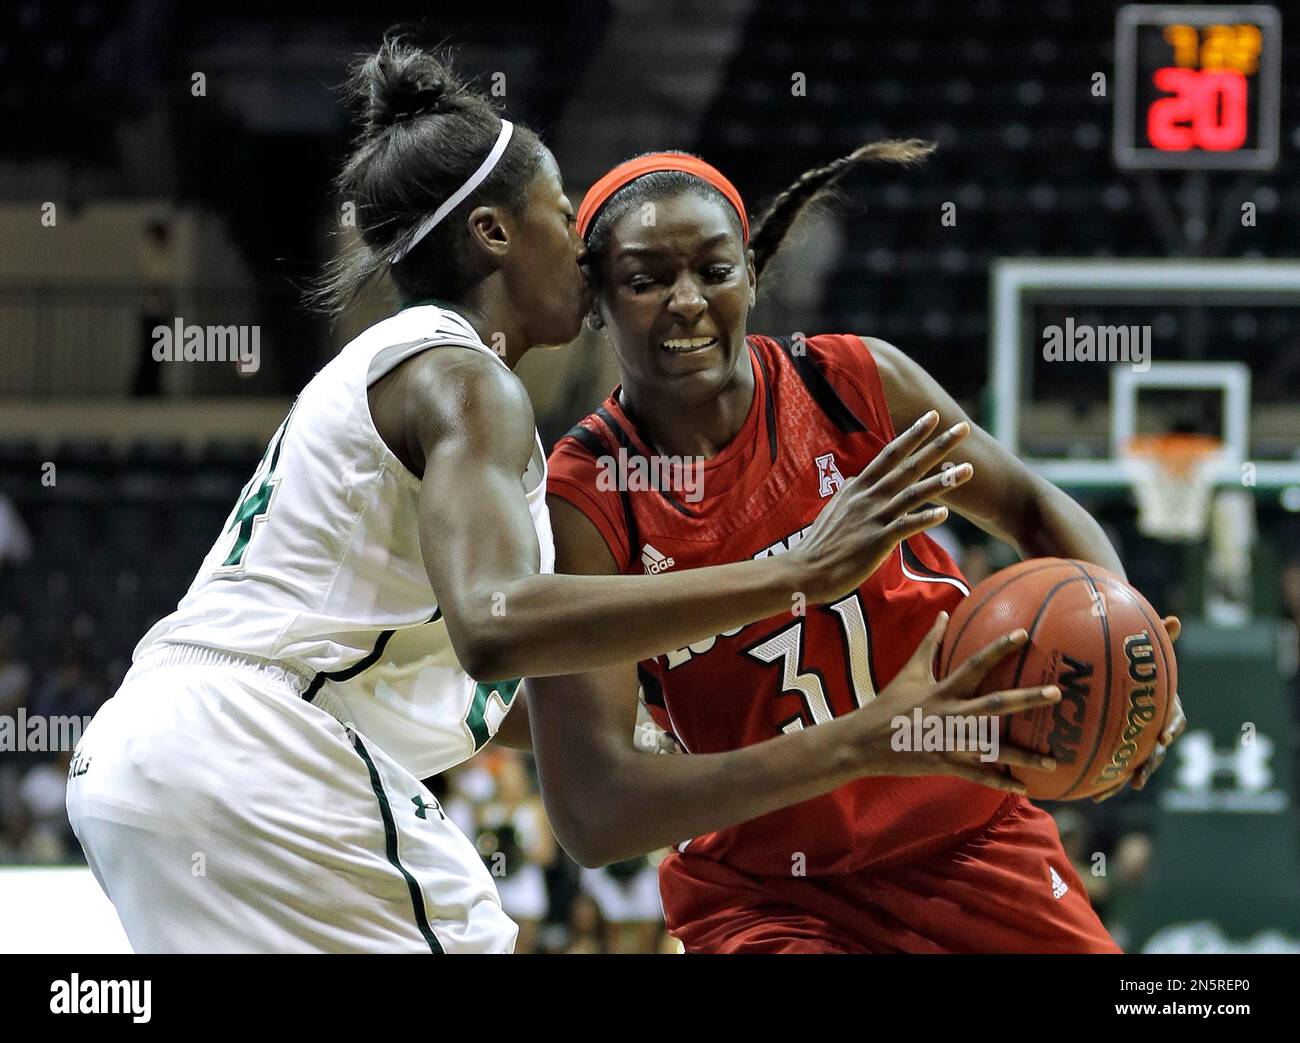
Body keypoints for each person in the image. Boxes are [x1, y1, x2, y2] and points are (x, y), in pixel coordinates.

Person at [65, 39, 1012, 955]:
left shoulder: (402, 381)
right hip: (256, 750)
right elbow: (496, 623)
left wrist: (654, 726)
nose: (583, 245)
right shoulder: (467, 378)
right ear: (495, 233)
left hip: (146, 760)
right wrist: (798, 576)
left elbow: (480, 674)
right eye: (564, 216)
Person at [530, 145, 1186, 953]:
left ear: (752, 273)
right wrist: (861, 740)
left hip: (971, 837)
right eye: (645, 279)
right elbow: (597, 815)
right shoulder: (588, 502)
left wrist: (1126, 637)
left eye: (715, 269)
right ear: (596, 296)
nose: (688, 302)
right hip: (770, 896)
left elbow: (1030, 505)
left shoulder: (852, 384)